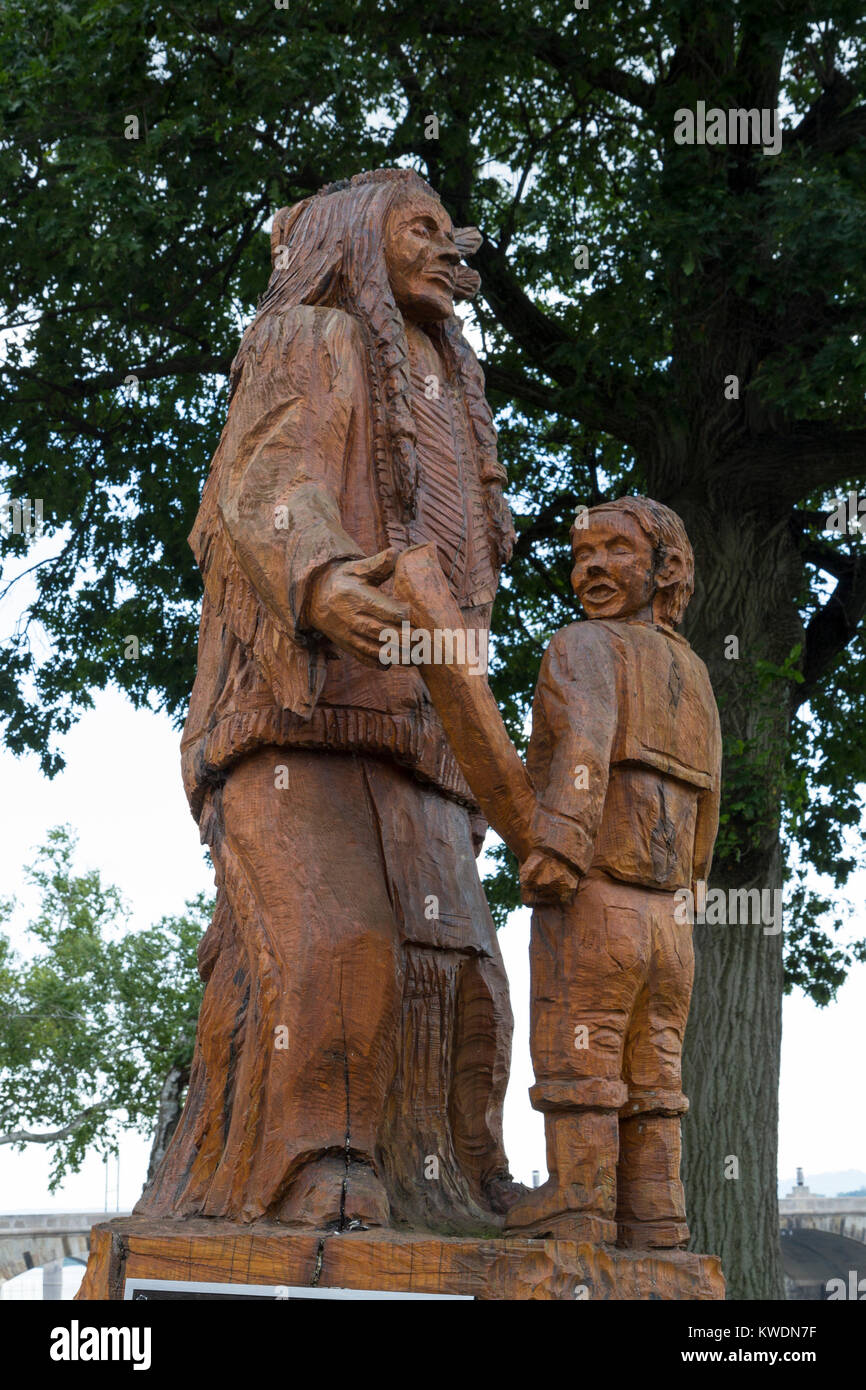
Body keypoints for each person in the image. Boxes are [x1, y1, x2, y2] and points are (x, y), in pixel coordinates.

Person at [135, 168, 518, 1233]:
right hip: (299, 715)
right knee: (335, 939)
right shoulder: (312, 334)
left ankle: (457, 1180)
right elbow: (267, 476)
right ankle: (321, 1161)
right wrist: (316, 573)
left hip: (422, 736)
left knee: (464, 978)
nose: (451, 249)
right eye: (420, 229)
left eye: (455, 234)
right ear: (358, 237)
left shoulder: (448, 381)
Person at [507, 496, 722, 1247]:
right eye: (582, 555)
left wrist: (558, 851)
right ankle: (658, 1217)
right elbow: (710, 799)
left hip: (600, 893)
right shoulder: (696, 674)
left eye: (616, 551)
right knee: (657, 1068)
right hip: (673, 922)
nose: (592, 567)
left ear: (663, 567)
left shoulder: (584, 646)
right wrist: (692, 890)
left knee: (582, 1045)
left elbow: (584, 750)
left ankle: (580, 1203)